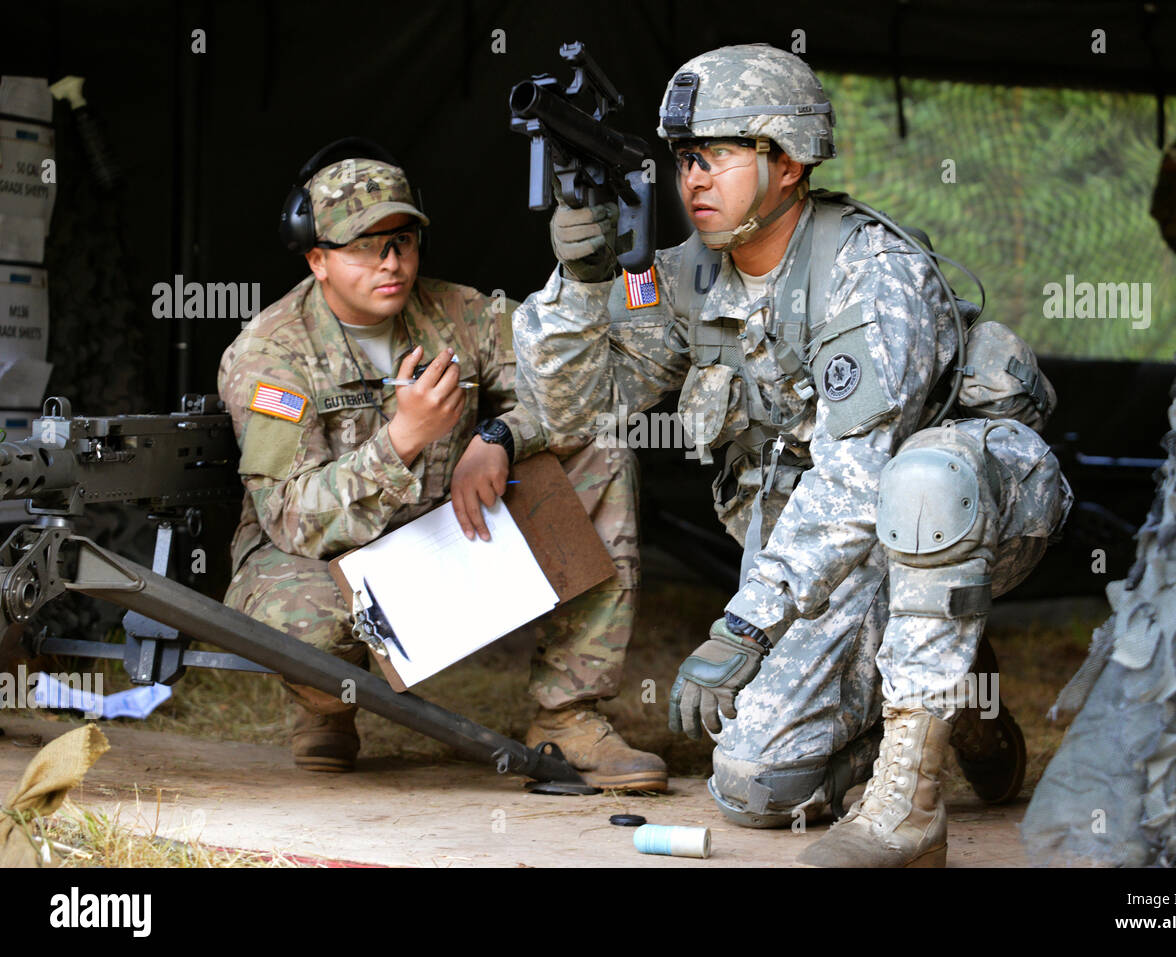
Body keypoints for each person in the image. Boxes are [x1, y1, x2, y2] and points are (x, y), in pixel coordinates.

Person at [512, 46, 1072, 865]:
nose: (693, 179)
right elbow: (574, 410)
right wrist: (579, 281)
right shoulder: (689, 280)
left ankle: (908, 796)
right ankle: (951, 677)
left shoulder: (870, 273)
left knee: (920, 485)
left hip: (964, 518)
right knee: (752, 786)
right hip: (821, 562)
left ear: (791, 160)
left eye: (719, 153)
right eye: (683, 159)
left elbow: (856, 477)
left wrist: (746, 624)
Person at [218, 138, 665, 791]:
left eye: (403, 239)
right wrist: (402, 439)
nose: (391, 260)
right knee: (301, 621)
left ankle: (565, 713)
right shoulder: (269, 355)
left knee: (601, 448)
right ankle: (324, 705)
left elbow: (576, 387)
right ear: (317, 259)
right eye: (365, 245)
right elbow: (293, 520)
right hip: (319, 558)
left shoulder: (463, 313)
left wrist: (499, 434)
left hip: (445, 531)